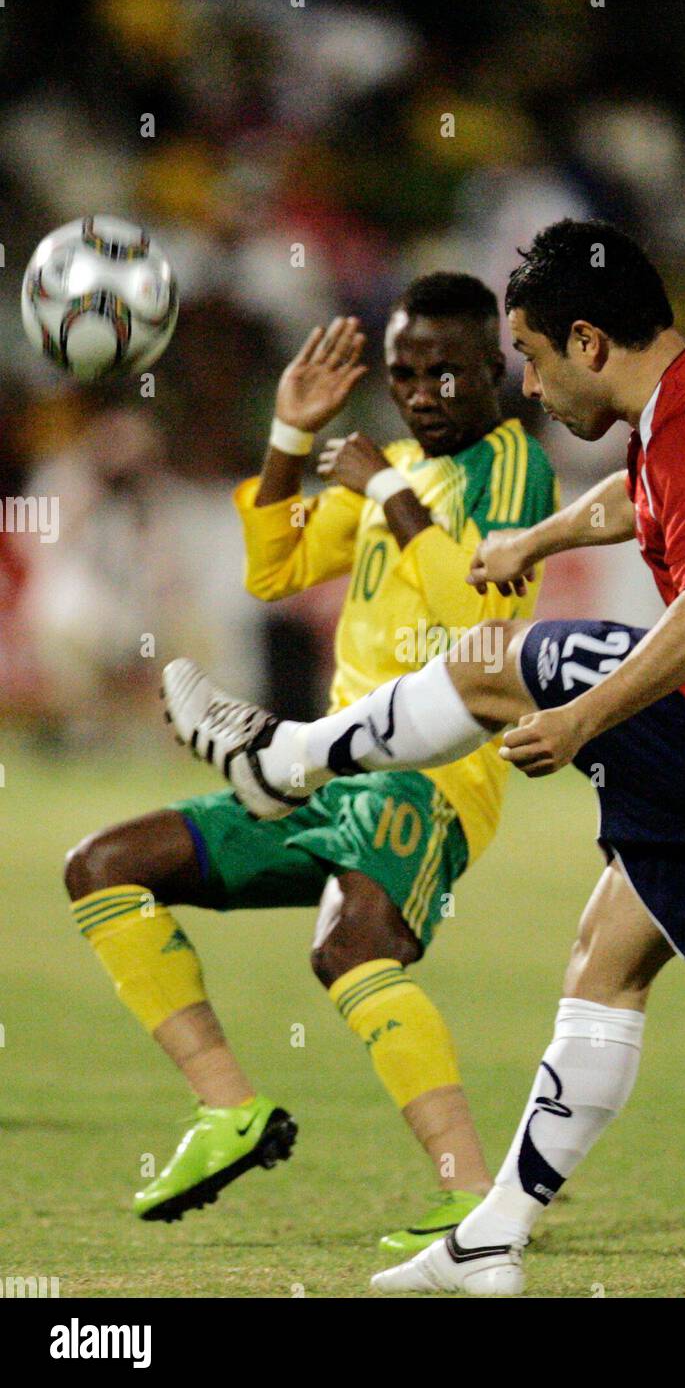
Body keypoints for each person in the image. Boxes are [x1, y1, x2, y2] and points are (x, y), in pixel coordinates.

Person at [161, 220, 685, 1294]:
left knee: (502, 656)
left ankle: (286, 762)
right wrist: (537, 540)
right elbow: (644, 497)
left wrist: (588, 716)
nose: (530, 386)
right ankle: (491, 1238)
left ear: (588, 342)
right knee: (607, 959)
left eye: (534, 358)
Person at [65, 274, 556, 1247]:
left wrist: (384, 488)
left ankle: (475, 1196)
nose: (422, 393)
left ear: (492, 371)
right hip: (325, 768)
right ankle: (226, 1114)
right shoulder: (406, 462)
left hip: (434, 772)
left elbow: (481, 627)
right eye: (406, 373)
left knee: (350, 949)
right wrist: (290, 439)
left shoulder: (512, 470)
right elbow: (274, 566)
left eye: (446, 372)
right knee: (103, 867)